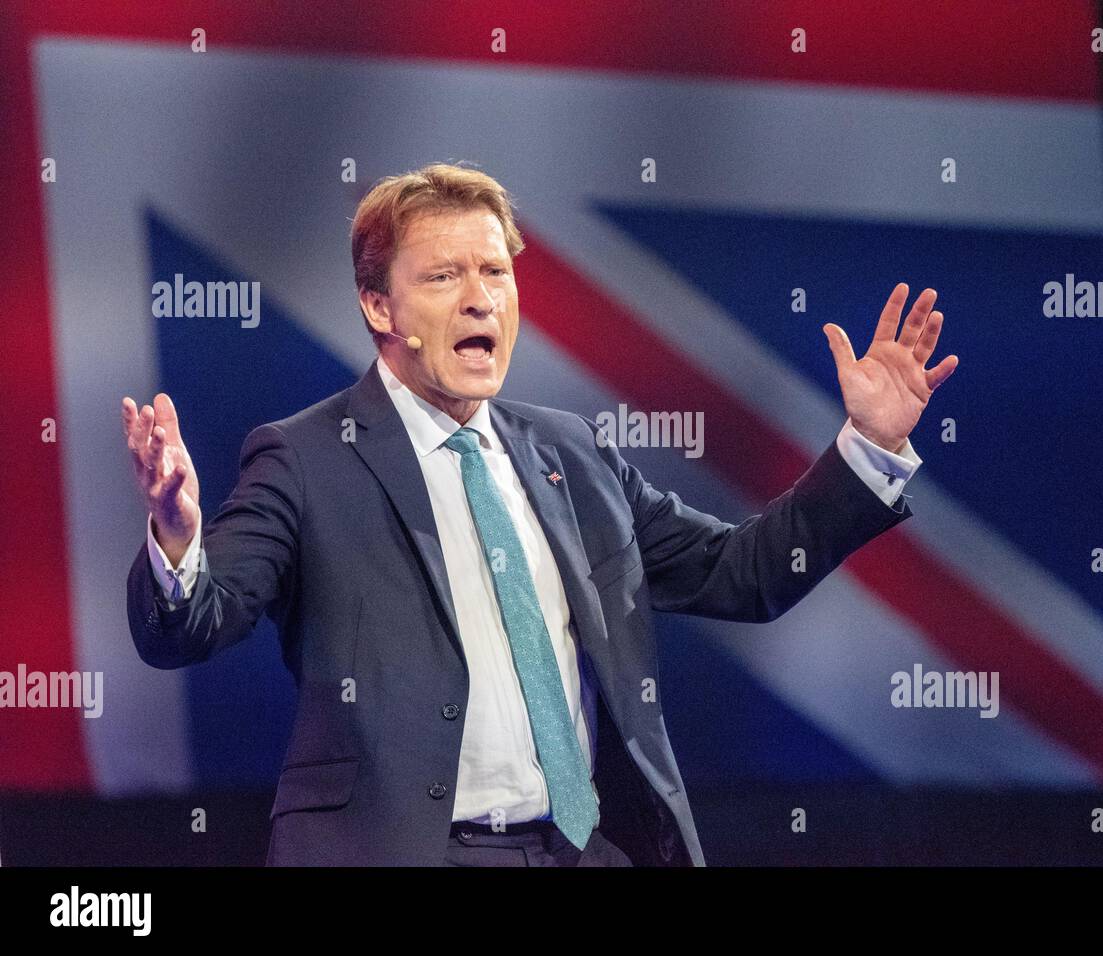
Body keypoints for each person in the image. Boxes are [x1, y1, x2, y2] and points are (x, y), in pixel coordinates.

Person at [122, 162, 958, 866]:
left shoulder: (573, 454)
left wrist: (866, 447)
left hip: (582, 851)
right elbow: (189, 624)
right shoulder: (305, 456)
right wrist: (176, 536)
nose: (481, 299)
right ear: (380, 308)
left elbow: (742, 575)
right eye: (445, 276)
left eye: (496, 272)